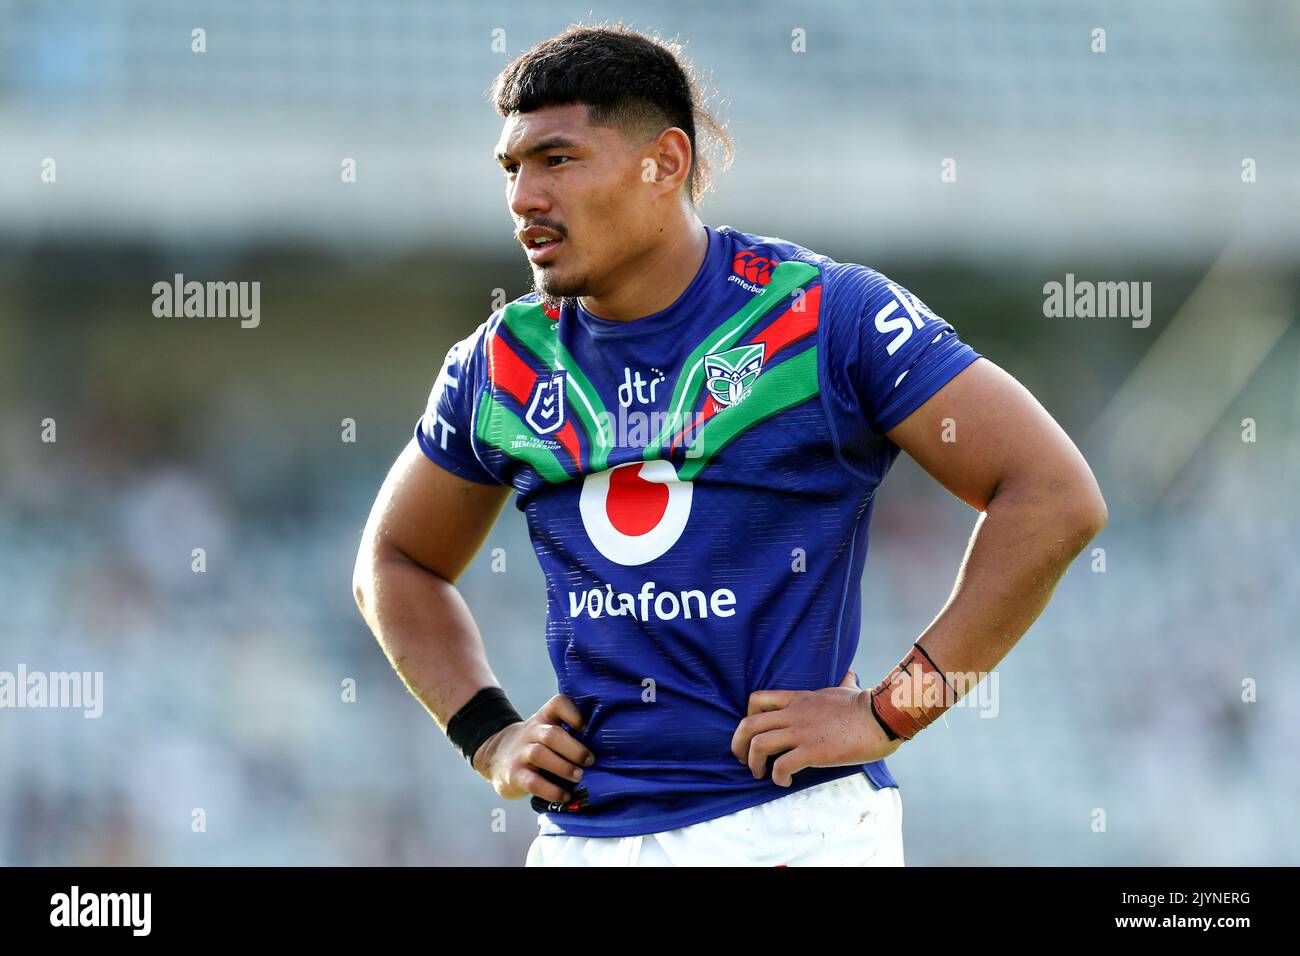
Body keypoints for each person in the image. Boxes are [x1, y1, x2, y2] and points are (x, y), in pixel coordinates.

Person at [352, 24, 1107, 866]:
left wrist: (891, 711)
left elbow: (1052, 495)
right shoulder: (501, 362)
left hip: (789, 828)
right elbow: (395, 561)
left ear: (664, 163)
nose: (525, 197)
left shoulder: (827, 316)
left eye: (556, 160)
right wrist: (487, 733)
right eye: (512, 168)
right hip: (581, 840)